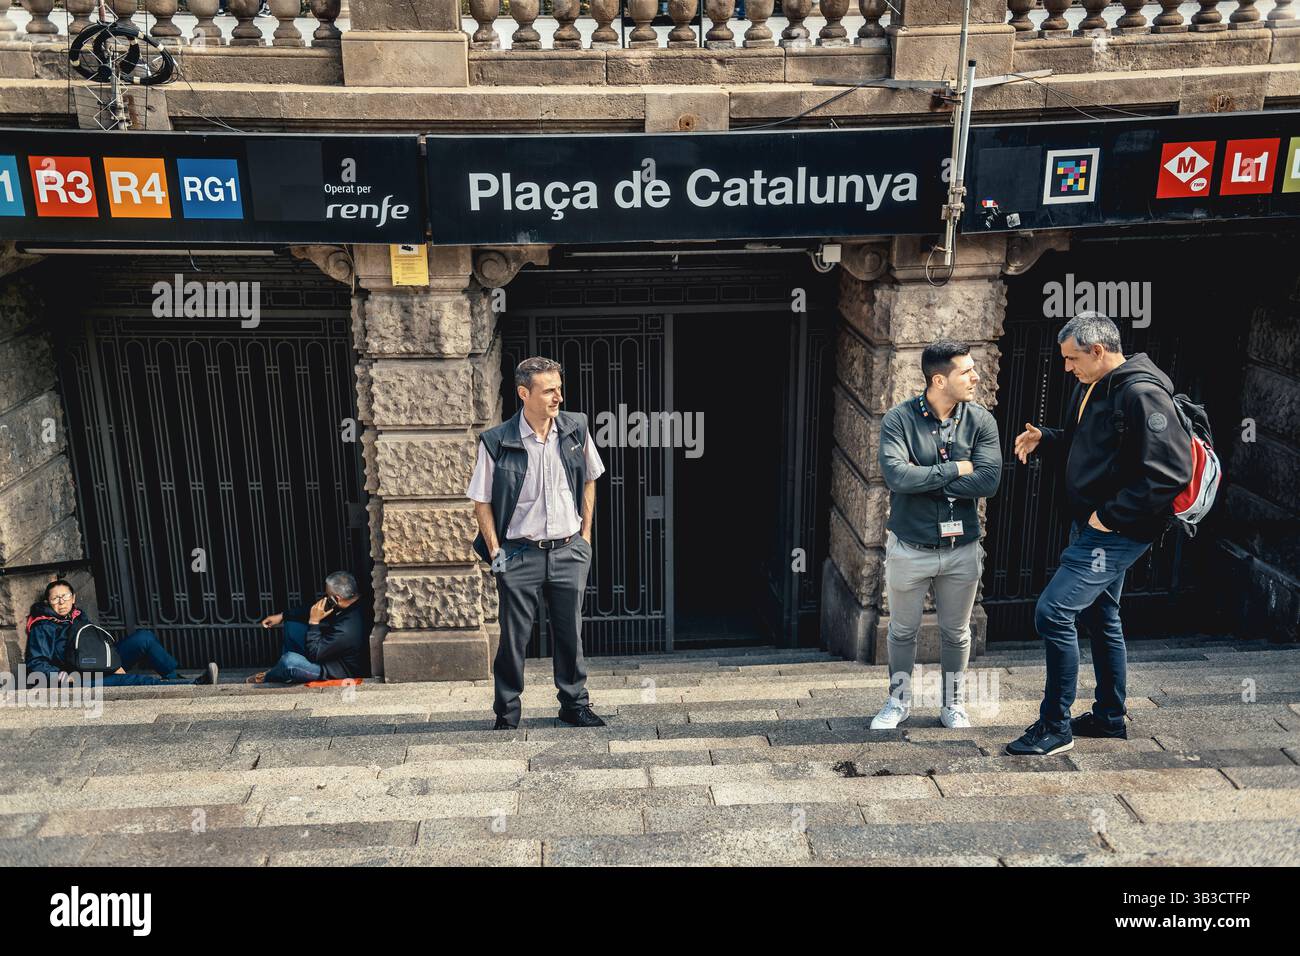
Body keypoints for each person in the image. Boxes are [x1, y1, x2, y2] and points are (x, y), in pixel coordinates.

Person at [1006, 312, 1193, 757]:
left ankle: (1055, 727)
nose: (1066, 367)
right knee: (1101, 615)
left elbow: (1170, 472)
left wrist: (1108, 517)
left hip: (1115, 531)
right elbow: (1083, 443)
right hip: (1095, 524)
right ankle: (1109, 717)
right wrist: (1046, 439)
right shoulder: (1092, 384)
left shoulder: (1142, 394)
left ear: (1098, 350)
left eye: (1072, 359)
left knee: (1052, 612)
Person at [468, 357, 606, 730]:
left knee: (570, 634)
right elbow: (481, 500)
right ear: (524, 393)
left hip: (568, 551)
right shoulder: (498, 441)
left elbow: (591, 477)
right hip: (519, 555)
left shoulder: (575, 428)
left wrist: (585, 538)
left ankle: (574, 704)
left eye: (559, 388)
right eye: (549, 390)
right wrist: (496, 551)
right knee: (514, 640)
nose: (558, 396)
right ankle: (507, 711)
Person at [871, 342, 1001, 730]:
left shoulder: (981, 421)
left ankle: (953, 704)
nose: (976, 377)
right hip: (910, 547)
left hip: (962, 548)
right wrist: (956, 470)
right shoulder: (898, 420)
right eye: (967, 371)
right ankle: (898, 702)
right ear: (939, 379)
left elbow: (989, 480)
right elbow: (897, 477)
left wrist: (927, 479)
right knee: (902, 631)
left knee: (957, 633)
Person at [25, 580, 217, 686]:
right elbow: (36, 663)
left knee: (144, 638)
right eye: (55, 599)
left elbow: (95, 645)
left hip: (100, 663)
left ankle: (173, 677)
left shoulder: (78, 616)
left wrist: (112, 662)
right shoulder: (42, 627)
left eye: (65, 596)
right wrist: (65, 677)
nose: (61, 602)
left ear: (73, 597)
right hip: (81, 676)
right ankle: (195, 684)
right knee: (138, 681)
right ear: (47, 603)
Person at [249, 571, 367, 684]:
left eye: (327, 596)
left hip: (335, 669)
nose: (325, 599)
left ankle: (271, 675)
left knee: (289, 662)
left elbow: (314, 654)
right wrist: (282, 616)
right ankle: (288, 674)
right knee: (292, 626)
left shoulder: (347, 629)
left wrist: (314, 621)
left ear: (337, 598)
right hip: (328, 649)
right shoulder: (351, 602)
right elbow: (314, 610)